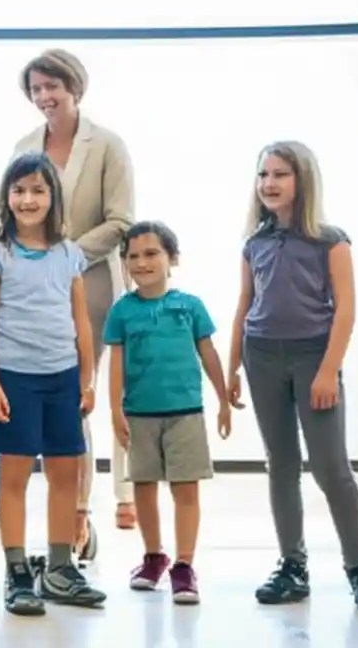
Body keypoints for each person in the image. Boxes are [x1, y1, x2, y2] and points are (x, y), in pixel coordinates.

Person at [227, 140, 358, 615]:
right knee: (280, 463)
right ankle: (292, 566)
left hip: (313, 357)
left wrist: (327, 371)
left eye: (281, 174)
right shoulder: (254, 243)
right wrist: (233, 366)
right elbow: (244, 306)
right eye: (264, 175)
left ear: (303, 181)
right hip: (262, 358)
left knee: (330, 467)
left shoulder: (330, 240)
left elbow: (346, 312)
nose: (270, 183)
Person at [0, 152, 108, 616]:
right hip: (14, 377)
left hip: (62, 377)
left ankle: (58, 568)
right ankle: (16, 571)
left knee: (65, 473)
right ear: (6, 197)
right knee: (13, 475)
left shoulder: (69, 254)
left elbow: (81, 321)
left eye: (37, 190)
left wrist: (86, 378)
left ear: (53, 197)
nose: (28, 199)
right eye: (19, 190)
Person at [12, 48, 137, 540]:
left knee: (108, 390)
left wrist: (67, 258)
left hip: (94, 283)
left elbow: (121, 220)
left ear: (75, 88)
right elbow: (14, 207)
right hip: (40, 292)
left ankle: (124, 495)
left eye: (52, 87)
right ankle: (79, 512)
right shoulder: (25, 145)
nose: (45, 97)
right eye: (37, 89)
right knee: (69, 396)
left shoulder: (107, 144)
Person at [104, 221, 234, 605]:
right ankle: (153, 556)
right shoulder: (122, 311)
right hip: (139, 414)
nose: (141, 263)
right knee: (142, 486)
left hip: (185, 413)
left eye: (151, 254)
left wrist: (223, 399)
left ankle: (184, 565)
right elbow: (115, 363)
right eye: (133, 257)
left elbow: (207, 353)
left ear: (171, 258)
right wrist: (114, 410)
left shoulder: (190, 306)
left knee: (185, 489)